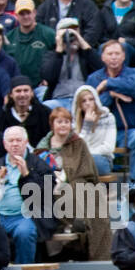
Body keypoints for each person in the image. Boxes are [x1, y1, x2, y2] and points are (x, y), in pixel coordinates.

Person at [0, 124, 55, 270]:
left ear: (26, 142)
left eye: (18, 140)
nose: (15, 144)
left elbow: (45, 194)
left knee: (24, 233)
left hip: (26, 216)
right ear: (4, 144)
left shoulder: (39, 165)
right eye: (11, 141)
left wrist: (27, 175)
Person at [36, 105, 110, 259]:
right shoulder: (42, 149)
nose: (63, 125)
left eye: (66, 122)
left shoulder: (78, 143)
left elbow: (87, 169)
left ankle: (98, 255)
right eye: (59, 122)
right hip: (52, 189)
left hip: (78, 185)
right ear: (53, 125)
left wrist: (68, 176)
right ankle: (71, 227)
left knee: (96, 208)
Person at [87, 40, 135, 181]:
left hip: (126, 131)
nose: (114, 57)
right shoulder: (93, 78)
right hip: (100, 132)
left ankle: (134, 182)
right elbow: (93, 105)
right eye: (110, 54)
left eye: (117, 53)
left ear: (123, 56)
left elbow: (134, 89)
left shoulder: (133, 73)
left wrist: (107, 84)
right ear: (102, 57)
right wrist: (111, 95)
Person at [39, 17, 101, 111]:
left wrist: (81, 41)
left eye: (75, 30)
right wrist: (59, 49)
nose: (71, 35)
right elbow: (48, 77)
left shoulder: (85, 54)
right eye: (67, 31)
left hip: (83, 101)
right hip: (59, 100)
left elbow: (100, 69)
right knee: (46, 107)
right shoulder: (52, 55)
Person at [6, 0, 56, 83]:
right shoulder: (9, 37)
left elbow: (58, 58)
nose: (25, 17)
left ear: (34, 13)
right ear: (16, 15)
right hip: (18, 87)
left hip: (42, 86)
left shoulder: (48, 34)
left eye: (28, 13)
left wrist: (49, 78)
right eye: (22, 14)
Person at [0, 75, 51, 149]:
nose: (22, 95)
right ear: (11, 94)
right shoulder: (3, 116)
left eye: (26, 90)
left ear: (32, 93)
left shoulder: (45, 113)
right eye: (18, 91)